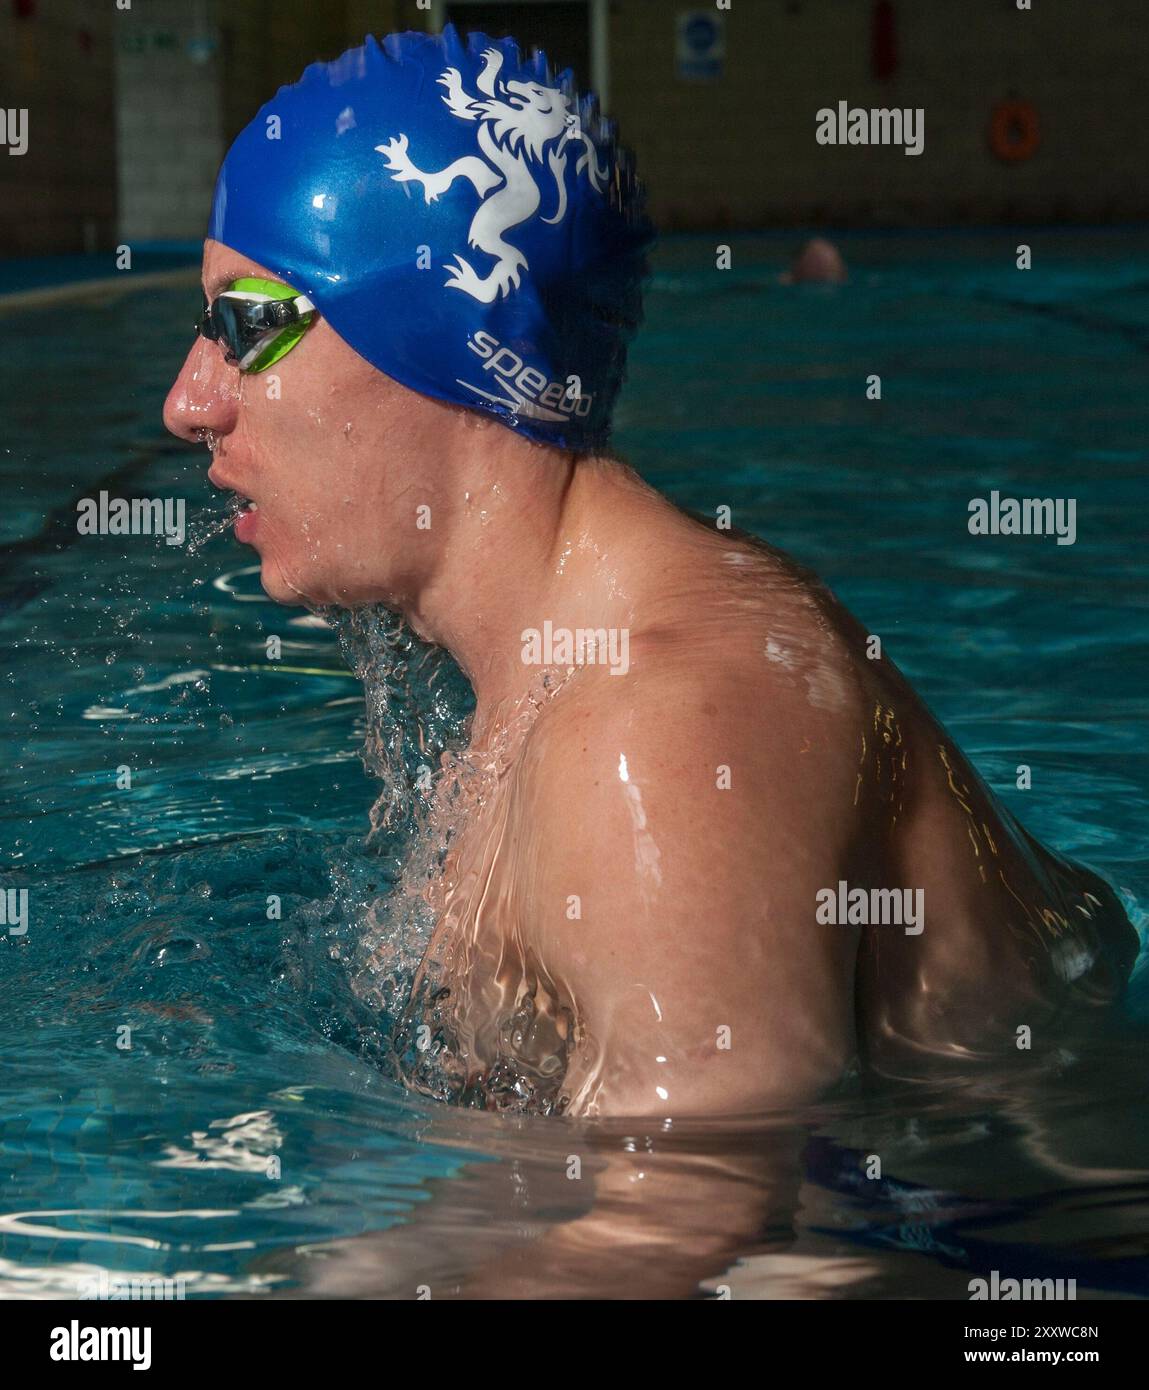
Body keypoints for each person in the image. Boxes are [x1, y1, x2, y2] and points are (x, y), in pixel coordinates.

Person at [164, 27, 1138, 1123]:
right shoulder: (553, 685)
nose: (189, 402)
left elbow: (717, 1235)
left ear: (446, 331)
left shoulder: (656, 734)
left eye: (248, 324)